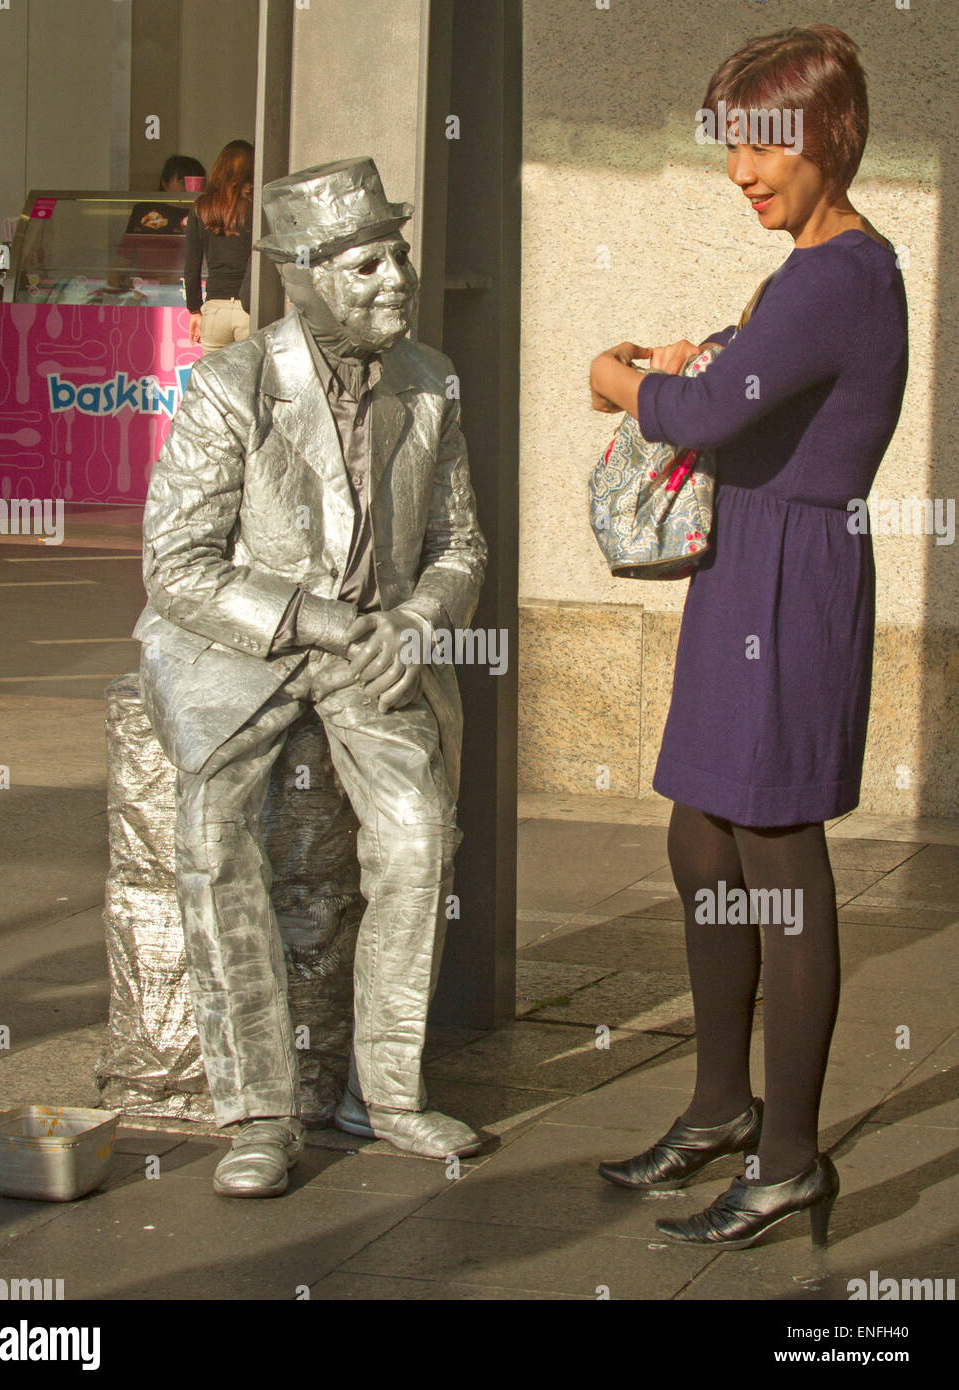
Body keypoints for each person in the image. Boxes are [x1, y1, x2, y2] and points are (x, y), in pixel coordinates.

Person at [589, 24, 908, 1249]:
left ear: (825, 134)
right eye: (730, 146)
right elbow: (743, 387)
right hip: (747, 574)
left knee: (778, 856)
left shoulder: (843, 273)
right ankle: (722, 1104)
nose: (741, 172)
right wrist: (688, 363)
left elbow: (712, 411)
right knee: (698, 832)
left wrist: (616, 376)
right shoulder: (806, 272)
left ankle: (788, 1160)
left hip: (790, 578)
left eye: (762, 142)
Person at [132, 157, 488, 1198]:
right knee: (210, 837)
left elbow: (461, 545)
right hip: (245, 649)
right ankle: (257, 1111)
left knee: (419, 830)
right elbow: (177, 566)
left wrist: (419, 617)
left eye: (398, 253)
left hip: (374, 648)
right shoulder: (229, 385)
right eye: (365, 260)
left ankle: (383, 1092)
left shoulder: (430, 382)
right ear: (302, 274)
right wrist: (328, 621)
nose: (395, 276)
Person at [184, 139, 254, 354]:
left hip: (214, 310)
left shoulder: (202, 207)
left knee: (216, 385)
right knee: (251, 383)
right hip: (250, 308)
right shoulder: (256, 206)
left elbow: (191, 264)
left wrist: (194, 309)